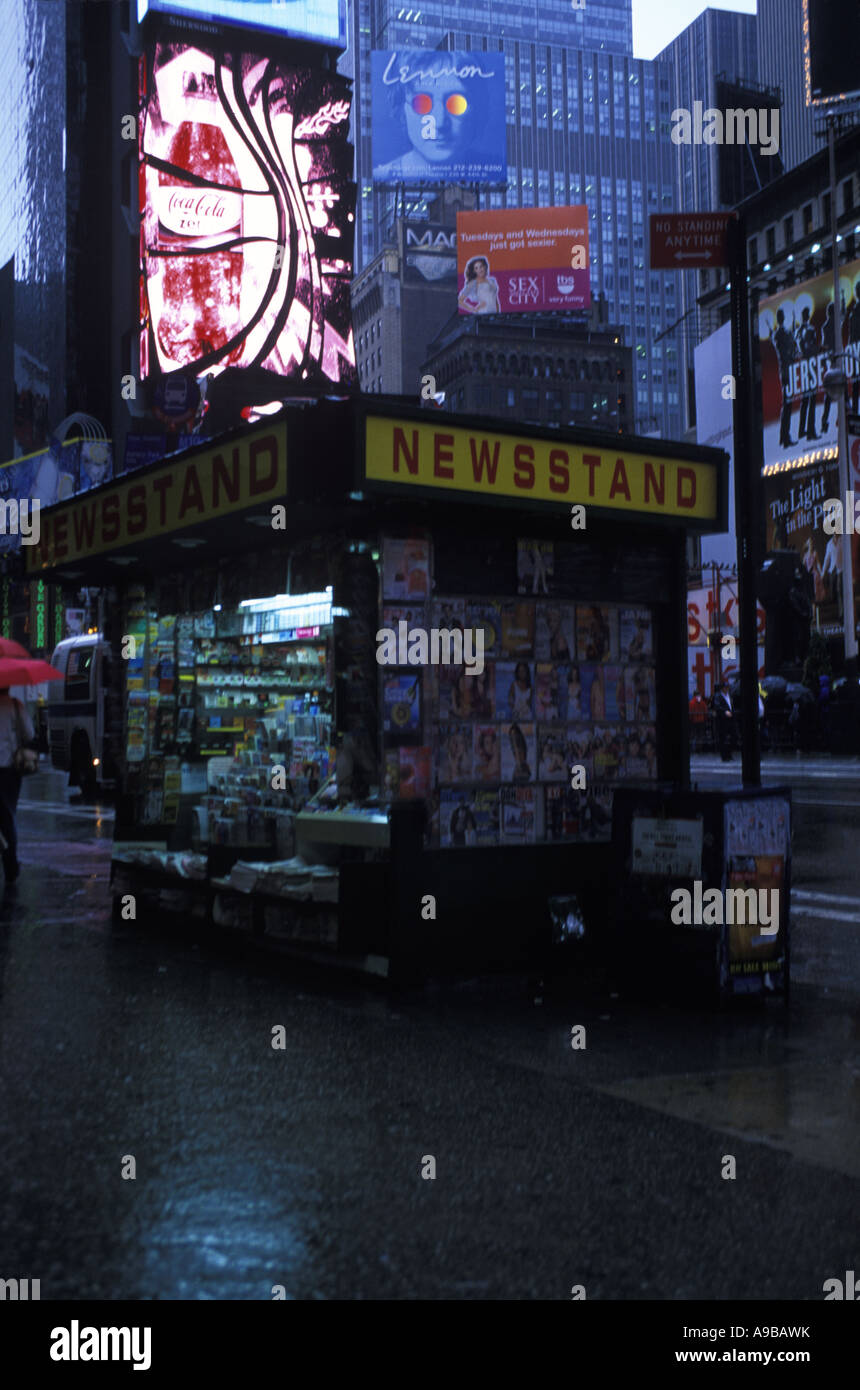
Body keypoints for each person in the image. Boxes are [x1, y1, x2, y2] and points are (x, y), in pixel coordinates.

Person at [0, 690, 36, 881]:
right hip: (9, 770)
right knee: (8, 816)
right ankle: (10, 866)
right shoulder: (15, 705)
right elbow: (29, 734)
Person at [770, 307, 797, 448]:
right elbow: (790, 346)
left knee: (787, 405)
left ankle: (784, 437)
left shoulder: (778, 334)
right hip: (787, 372)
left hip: (785, 372)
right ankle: (785, 438)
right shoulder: (782, 334)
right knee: (787, 405)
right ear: (782, 318)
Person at [795, 307, 819, 442]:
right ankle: (810, 431)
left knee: (805, 401)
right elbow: (812, 346)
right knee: (811, 400)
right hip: (810, 367)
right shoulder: (809, 329)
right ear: (807, 316)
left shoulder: (798, 330)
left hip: (803, 368)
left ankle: (801, 431)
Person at [711, 680, 733, 762]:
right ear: (722, 688)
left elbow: (731, 705)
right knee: (723, 738)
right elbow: (717, 706)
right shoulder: (718, 696)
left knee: (731, 737)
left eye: (727, 687)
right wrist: (724, 711)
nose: (727, 689)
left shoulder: (729, 695)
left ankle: (729, 755)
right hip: (722, 719)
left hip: (730, 718)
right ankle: (724, 756)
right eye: (725, 687)